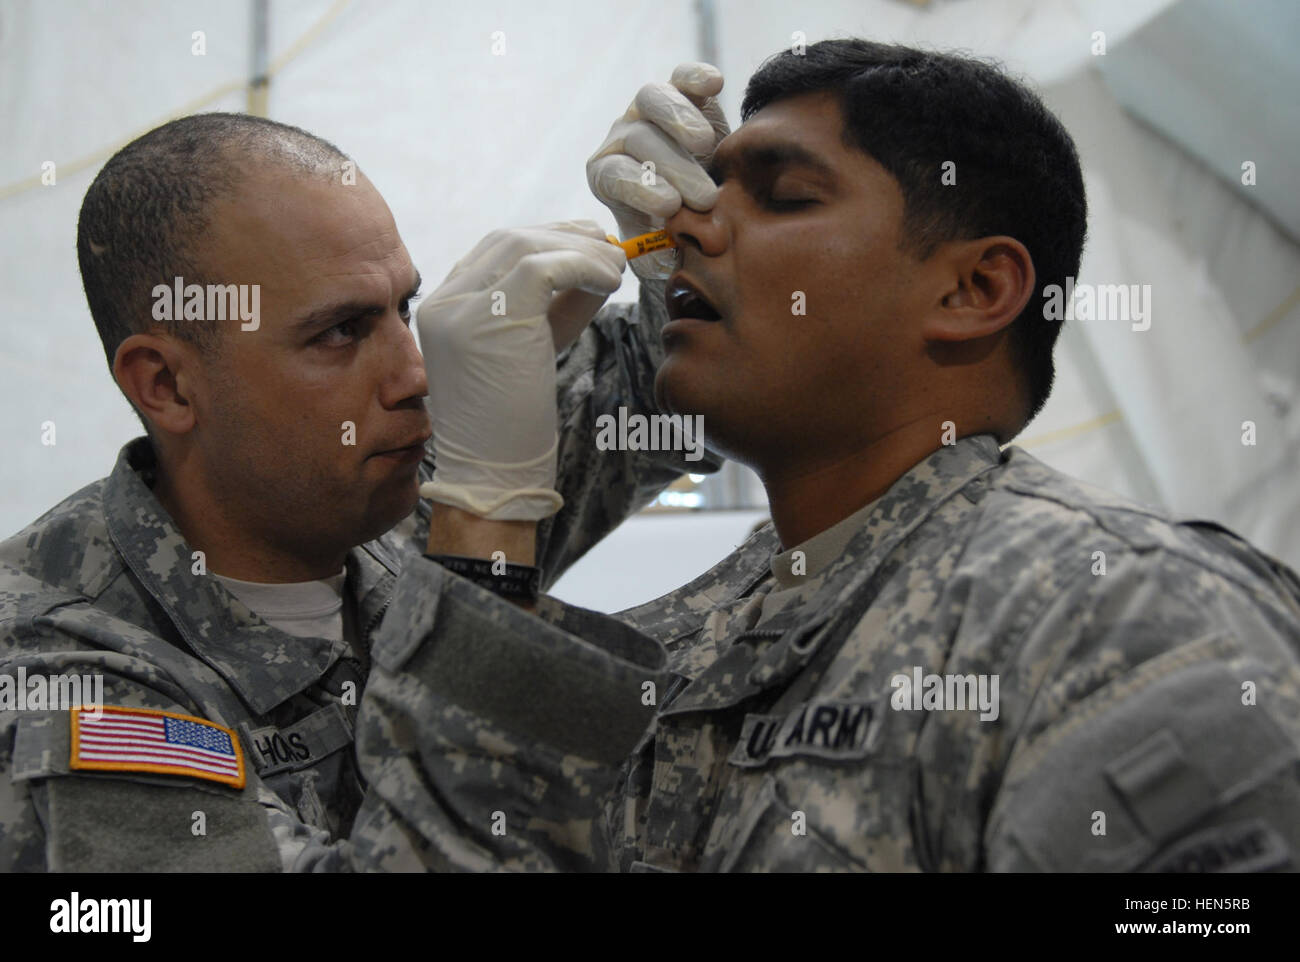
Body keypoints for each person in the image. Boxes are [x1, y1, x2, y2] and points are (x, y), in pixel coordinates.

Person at [382, 41, 1300, 871]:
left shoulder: (1115, 612)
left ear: (976, 288)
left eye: (785, 196)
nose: (688, 231)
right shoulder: (676, 645)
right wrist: (480, 525)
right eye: (702, 195)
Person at [0, 113, 708, 870]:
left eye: (404, 309)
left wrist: (679, 252)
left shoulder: (378, 485)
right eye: (340, 332)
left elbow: (668, 395)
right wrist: (485, 529)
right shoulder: (57, 674)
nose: (416, 376)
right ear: (167, 384)